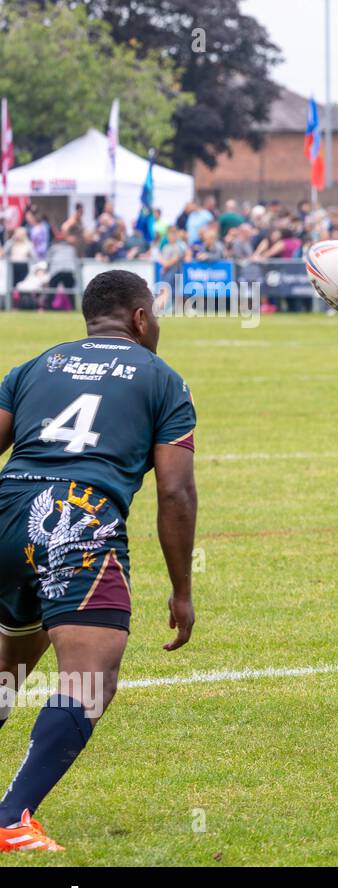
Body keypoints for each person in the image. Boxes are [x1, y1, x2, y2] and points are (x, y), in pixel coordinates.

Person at [0, 270, 197, 851]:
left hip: (8, 506)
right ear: (140, 318)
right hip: (77, 519)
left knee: (9, 666)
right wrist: (182, 590)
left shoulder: (37, 365)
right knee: (89, 678)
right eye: (155, 313)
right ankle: (11, 819)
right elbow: (175, 493)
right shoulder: (164, 379)